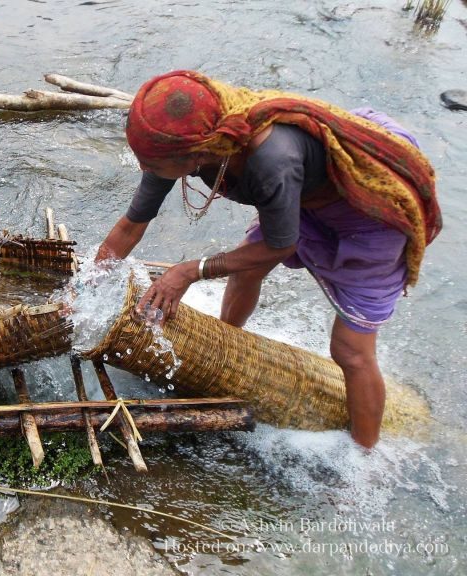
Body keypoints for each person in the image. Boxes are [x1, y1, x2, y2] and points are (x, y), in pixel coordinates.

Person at [96, 70, 441, 449]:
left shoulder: (270, 159)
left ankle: (364, 454)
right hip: (299, 196)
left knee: (350, 350)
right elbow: (131, 225)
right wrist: (90, 285)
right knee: (245, 272)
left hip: (364, 216)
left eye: (152, 165)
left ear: (198, 153)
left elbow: (281, 245)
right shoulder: (178, 145)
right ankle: (227, 345)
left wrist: (191, 271)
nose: (146, 170)